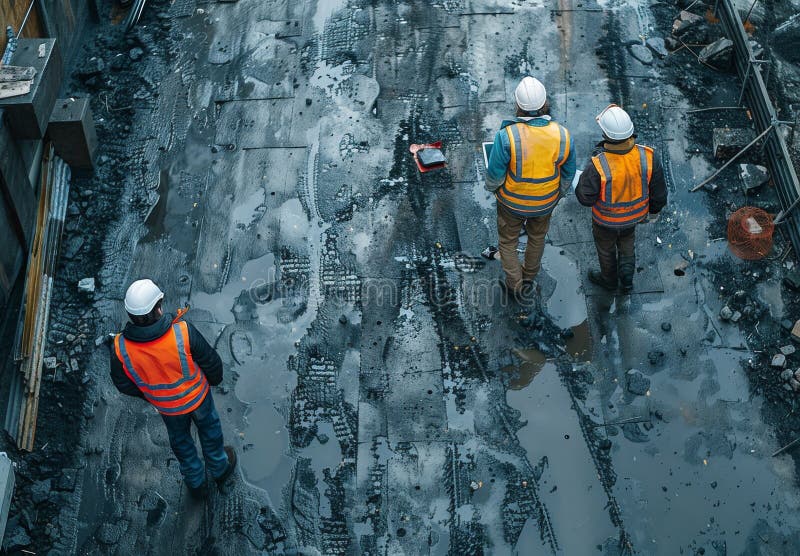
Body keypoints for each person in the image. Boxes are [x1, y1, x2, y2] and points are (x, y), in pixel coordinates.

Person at [110, 279, 236, 499]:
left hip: (169, 409)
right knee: (210, 431)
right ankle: (219, 468)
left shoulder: (121, 347)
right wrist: (215, 380)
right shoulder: (183, 332)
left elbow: (122, 383)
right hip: (199, 398)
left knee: (181, 442)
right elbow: (210, 361)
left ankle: (195, 482)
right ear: (158, 307)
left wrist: (150, 394)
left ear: (130, 315)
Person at [485, 76, 576, 300]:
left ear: (518, 106)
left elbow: (495, 174)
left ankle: (515, 285)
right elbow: (568, 174)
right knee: (537, 238)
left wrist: (494, 190)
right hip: (545, 203)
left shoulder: (507, 136)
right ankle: (529, 276)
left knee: (507, 242)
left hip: (511, 203)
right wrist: (558, 195)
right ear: (545, 103)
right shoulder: (563, 136)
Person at [576, 104, 668, 293]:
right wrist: (654, 211)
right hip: (634, 218)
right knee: (627, 243)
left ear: (606, 135)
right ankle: (627, 279)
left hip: (605, 222)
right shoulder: (648, 157)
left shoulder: (598, 164)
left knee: (606, 250)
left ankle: (609, 281)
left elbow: (585, 198)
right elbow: (659, 193)